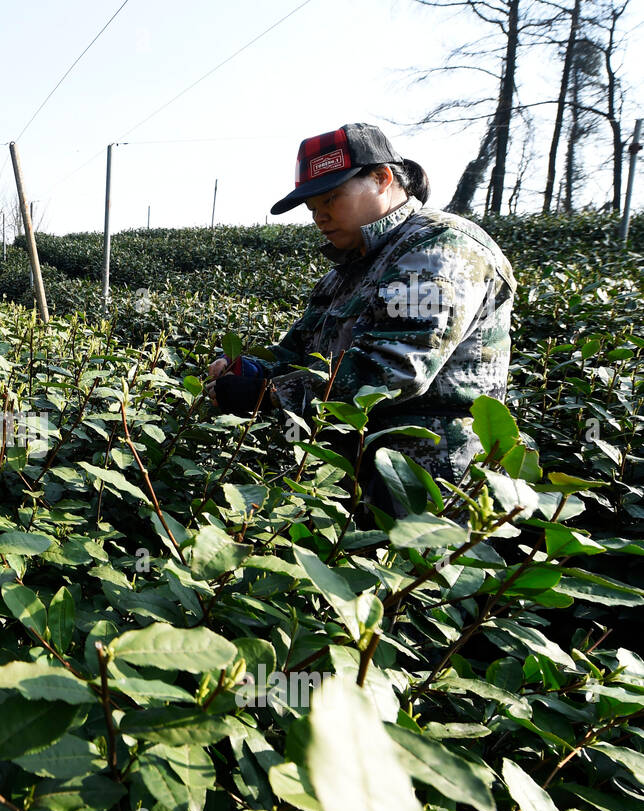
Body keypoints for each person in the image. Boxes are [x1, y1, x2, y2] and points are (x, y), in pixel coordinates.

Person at [208, 122, 516, 516]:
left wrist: (269, 395)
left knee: (416, 578)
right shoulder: (345, 272)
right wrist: (252, 371)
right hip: (352, 471)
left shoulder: (440, 245)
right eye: (313, 209)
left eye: (332, 199)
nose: (320, 217)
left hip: (430, 485)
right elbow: (300, 355)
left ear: (382, 178)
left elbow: (394, 370)